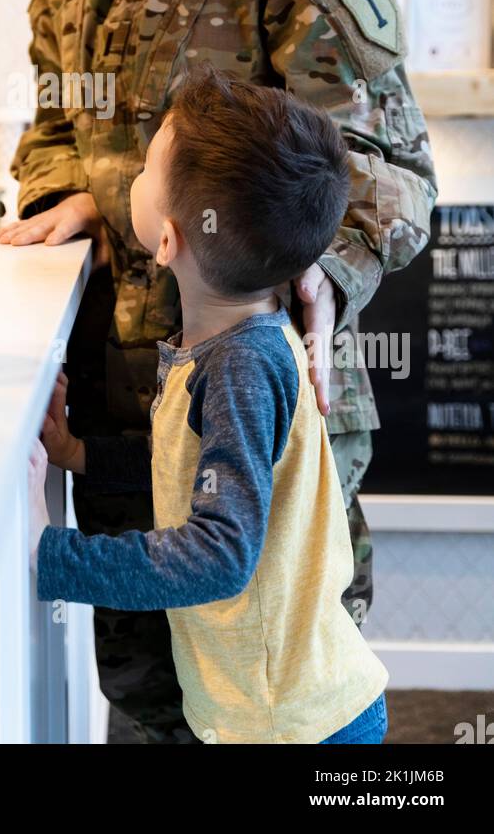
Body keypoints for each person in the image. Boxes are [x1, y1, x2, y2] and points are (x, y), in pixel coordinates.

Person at [0, 0, 437, 743]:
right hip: (126, 421)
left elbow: (392, 174)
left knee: (281, 705)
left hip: (256, 406)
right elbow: (51, 129)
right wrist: (66, 188)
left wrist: (314, 272)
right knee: (151, 713)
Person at [28, 67, 390, 745]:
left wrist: (50, 558)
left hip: (287, 727)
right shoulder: (235, 337)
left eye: (145, 172)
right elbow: (190, 463)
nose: (129, 180)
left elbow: (218, 555)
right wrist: (80, 455)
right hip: (268, 717)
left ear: (166, 241)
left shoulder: (240, 366)